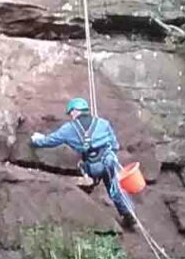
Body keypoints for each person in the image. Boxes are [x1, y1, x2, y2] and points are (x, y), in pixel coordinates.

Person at [30, 97, 138, 226]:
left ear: (75, 111)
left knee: (83, 166)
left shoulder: (69, 129)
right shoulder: (103, 123)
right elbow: (115, 145)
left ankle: (90, 186)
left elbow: (49, 141)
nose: (70, 116)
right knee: (114, 185)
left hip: (92, 167)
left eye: (70, 113)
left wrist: (36, 140)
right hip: (108, 161)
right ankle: (127, 212)